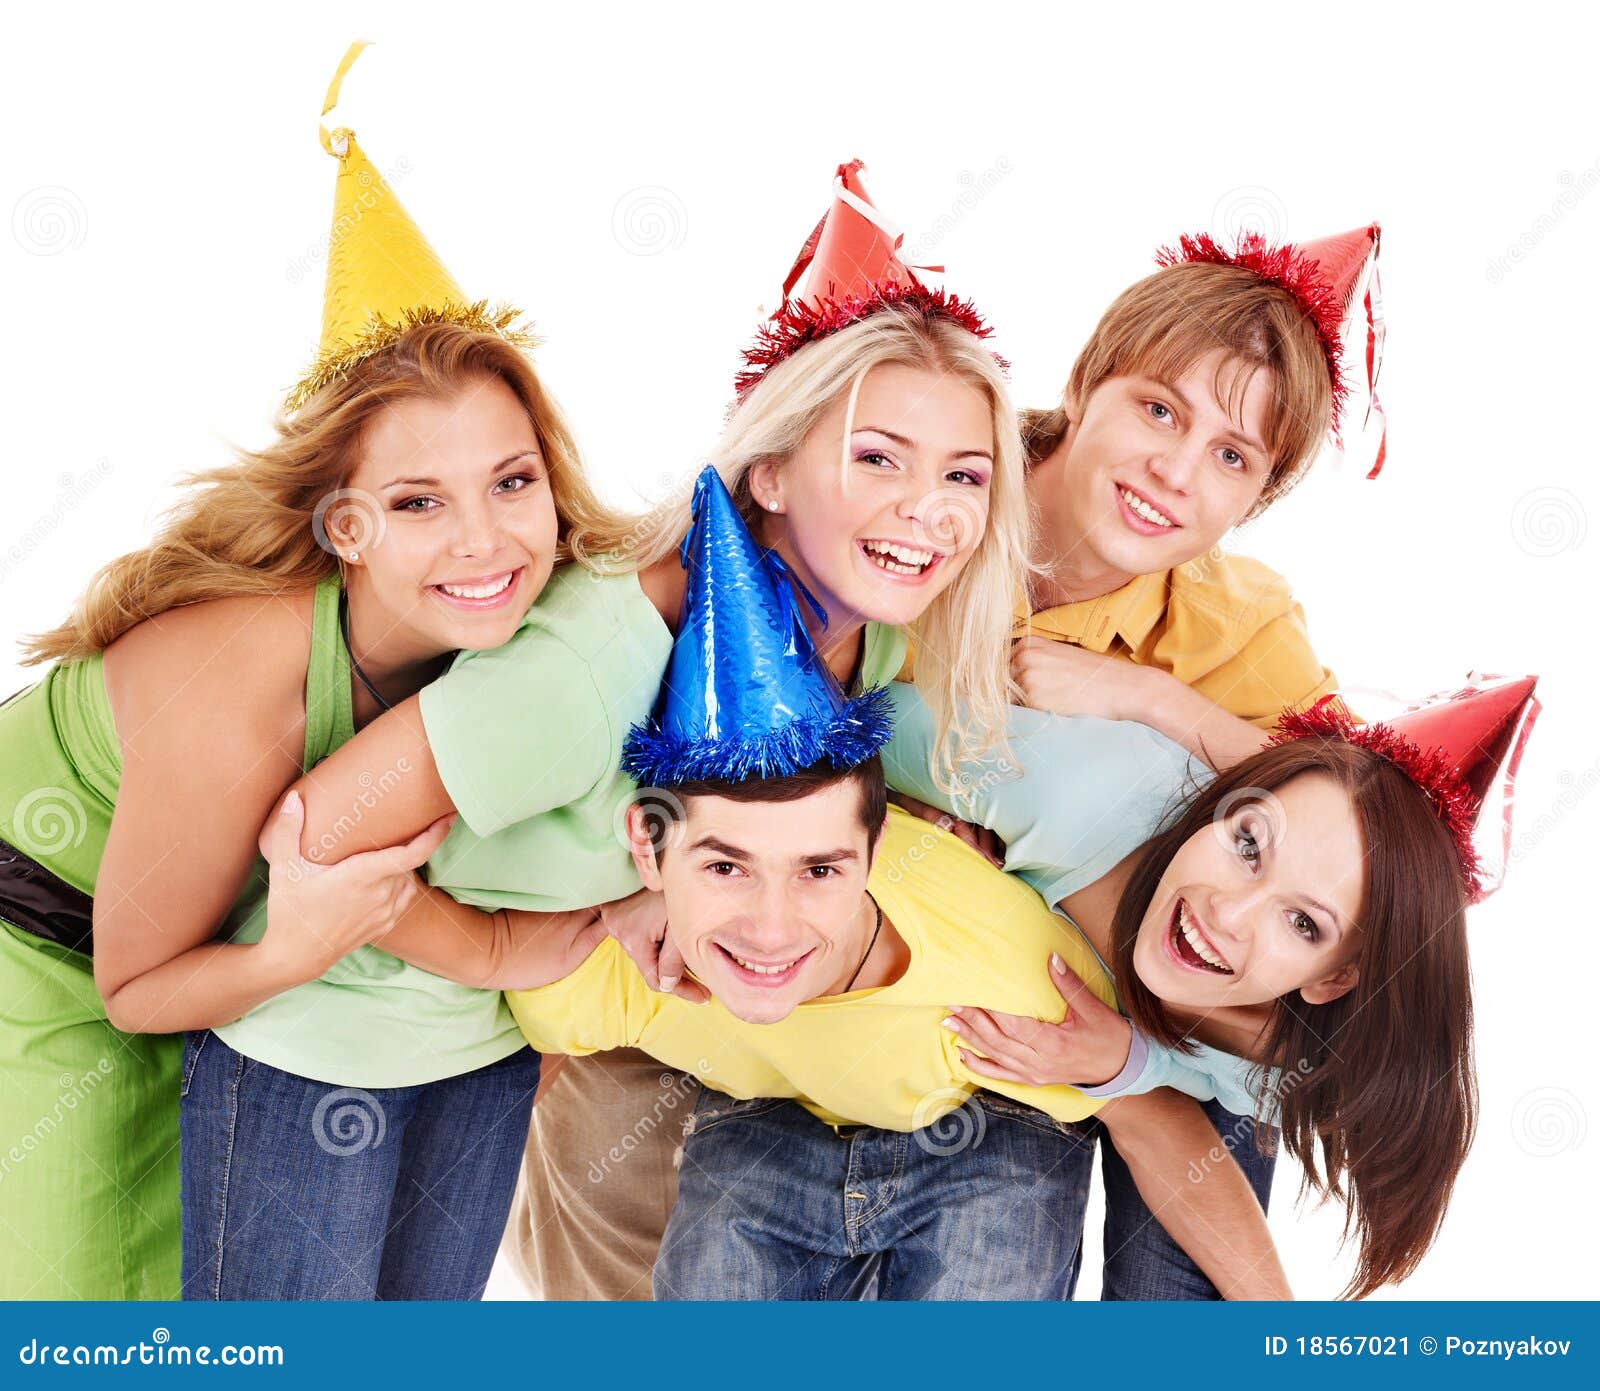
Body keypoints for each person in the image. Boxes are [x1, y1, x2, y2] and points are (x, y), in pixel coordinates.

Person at [268, 159, 1032, 1299]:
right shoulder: (597, 658)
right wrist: (508, 944)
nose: (931, 508)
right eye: (877, 456)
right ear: (767, 469)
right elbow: (315, 831)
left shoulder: (869, 618)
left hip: (640, 1028)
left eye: (963, 472)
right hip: (390, 1037)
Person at [344, 464, 1290, 1299]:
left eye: (818, 870)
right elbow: (478, 968)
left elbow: (1156, 1119)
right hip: (755, 1128)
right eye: (724, 867)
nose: (769, 925)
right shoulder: (636, 959)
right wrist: (361, 900)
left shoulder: (1013, 977)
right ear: (648, 853)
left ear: (876, 854)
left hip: (980, 1125)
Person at [877, 671, 1539, 1298]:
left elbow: (1164, 1113)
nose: (1228, 912)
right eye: (1248, 844)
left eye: (1303, 922)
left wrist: (1129, 1062)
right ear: (1222, 805)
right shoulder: (1066, 785)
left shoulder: (1299, 1067)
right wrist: (908, 817)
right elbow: (844, 725)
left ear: (1335, 977)